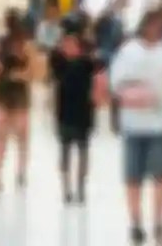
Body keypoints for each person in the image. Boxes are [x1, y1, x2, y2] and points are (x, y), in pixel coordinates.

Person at [109, 8, 162, 245]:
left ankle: (158, 218)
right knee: (133, 175)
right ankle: (136, 221)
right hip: (134, 123)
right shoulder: (128, 52)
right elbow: (116, 85)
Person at [49, 24, 100, 205]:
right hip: (64, 112)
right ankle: (66, 188)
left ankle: (81, 187)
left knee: (83, 150)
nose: (67, 47)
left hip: (83, 112)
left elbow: (97, 75)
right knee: (65, 151)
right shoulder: (59, 64)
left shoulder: (87, 64)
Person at [0, 9, 33, 194]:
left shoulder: (9, 44)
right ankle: (14, 173)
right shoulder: (24, 44)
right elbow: (32, 73)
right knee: (18, 137)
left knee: (3, 137)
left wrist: (5, 78)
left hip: (7, 93)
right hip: (16, 95)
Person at [95, 0, 127, 132]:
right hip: (113, 57)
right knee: (115, 89)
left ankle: (114, 122)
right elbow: (118, 39)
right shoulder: (116, 21)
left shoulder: (104, 20)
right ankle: (116, 123)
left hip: (105, 55)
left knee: (109, 88)